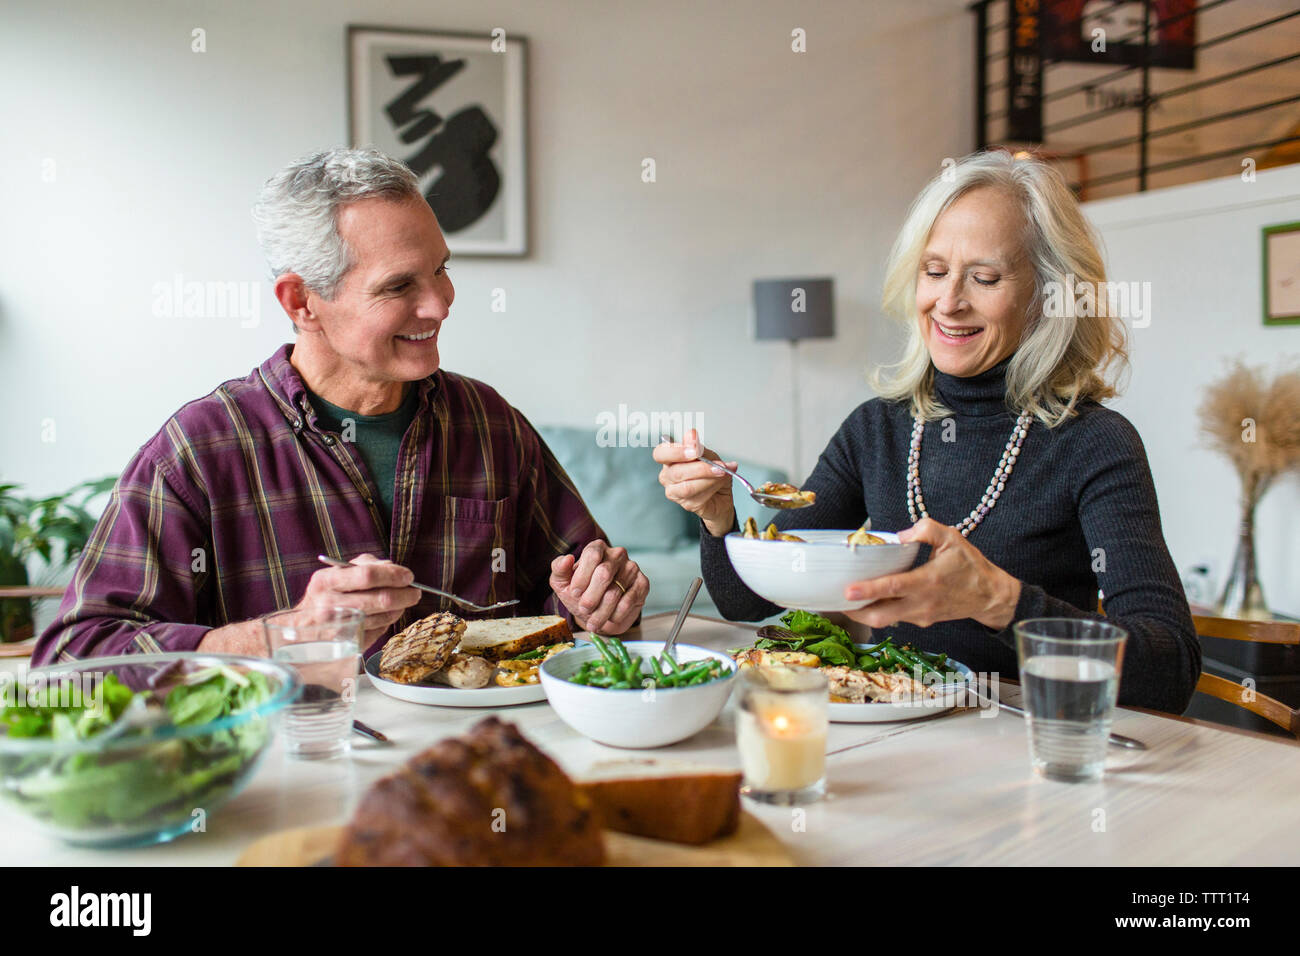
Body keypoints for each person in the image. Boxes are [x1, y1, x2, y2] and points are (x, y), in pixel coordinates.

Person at [36, 147, 648, 665]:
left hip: (481, 769)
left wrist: (600, 602)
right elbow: (76, 658)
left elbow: (573, 597)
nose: (440, 304)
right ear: (302, 303)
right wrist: (283, 636)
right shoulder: (199, 450)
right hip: (298, 783)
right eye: (399, 285)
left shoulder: (488, 423)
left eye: (441, 270)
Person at [654, 150, 1200, 714]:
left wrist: (999, 600)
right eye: (934, 271)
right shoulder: (877, 429)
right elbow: (746, 600)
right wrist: (719, 515)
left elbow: (1169, 670)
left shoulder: (1095, 443)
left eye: (984, 277)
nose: (949, 301)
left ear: (1046, 297)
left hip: (1031, 743)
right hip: (901, 729)